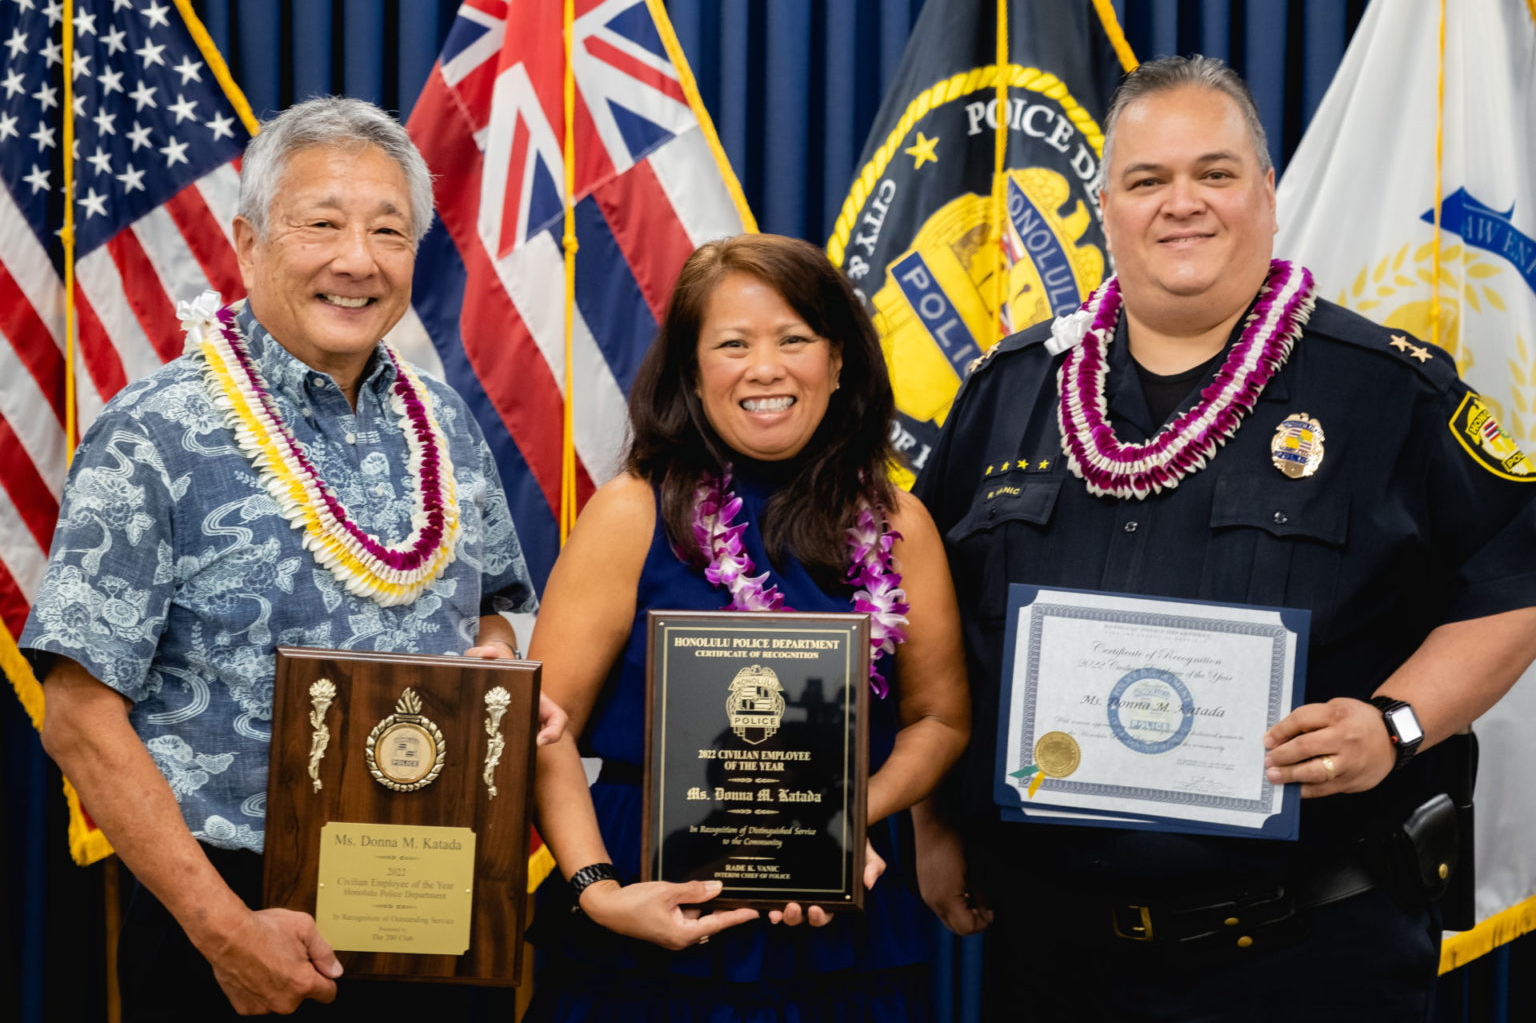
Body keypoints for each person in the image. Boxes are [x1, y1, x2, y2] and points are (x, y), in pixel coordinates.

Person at [911, 56, 1536, 1021]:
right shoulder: (1009, 394)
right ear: (1107, 205)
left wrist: (1396, 725)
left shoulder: (1384, 389)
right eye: (1147, 180)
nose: (1182, 205)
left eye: (1215, 173)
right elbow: (927, 626)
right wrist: (932, 816)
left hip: (1312, 955)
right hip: (1052, 958)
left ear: (1268, 195)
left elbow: (1516, 575)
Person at [22, 96, 564, 1019]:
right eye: (322, 224)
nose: (358, 260)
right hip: (232, 918)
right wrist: (224, 930)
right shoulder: (154, 433)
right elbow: (77, 715)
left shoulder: (447, 425)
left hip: (433, 899)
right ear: (247, 241)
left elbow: (501, 608)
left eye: (389, 231)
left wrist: (496, 660)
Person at [523, 233, 970, 1019]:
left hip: (842, 920)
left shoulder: (903, 525)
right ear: (693, 374)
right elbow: (541, 726)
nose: (766, 368)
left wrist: (834, 820)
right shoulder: (633, 511)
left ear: (838, 363)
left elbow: (939, 719)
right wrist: (596, 891)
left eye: (794, 339)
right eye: (733, 344)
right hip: (647, 906)